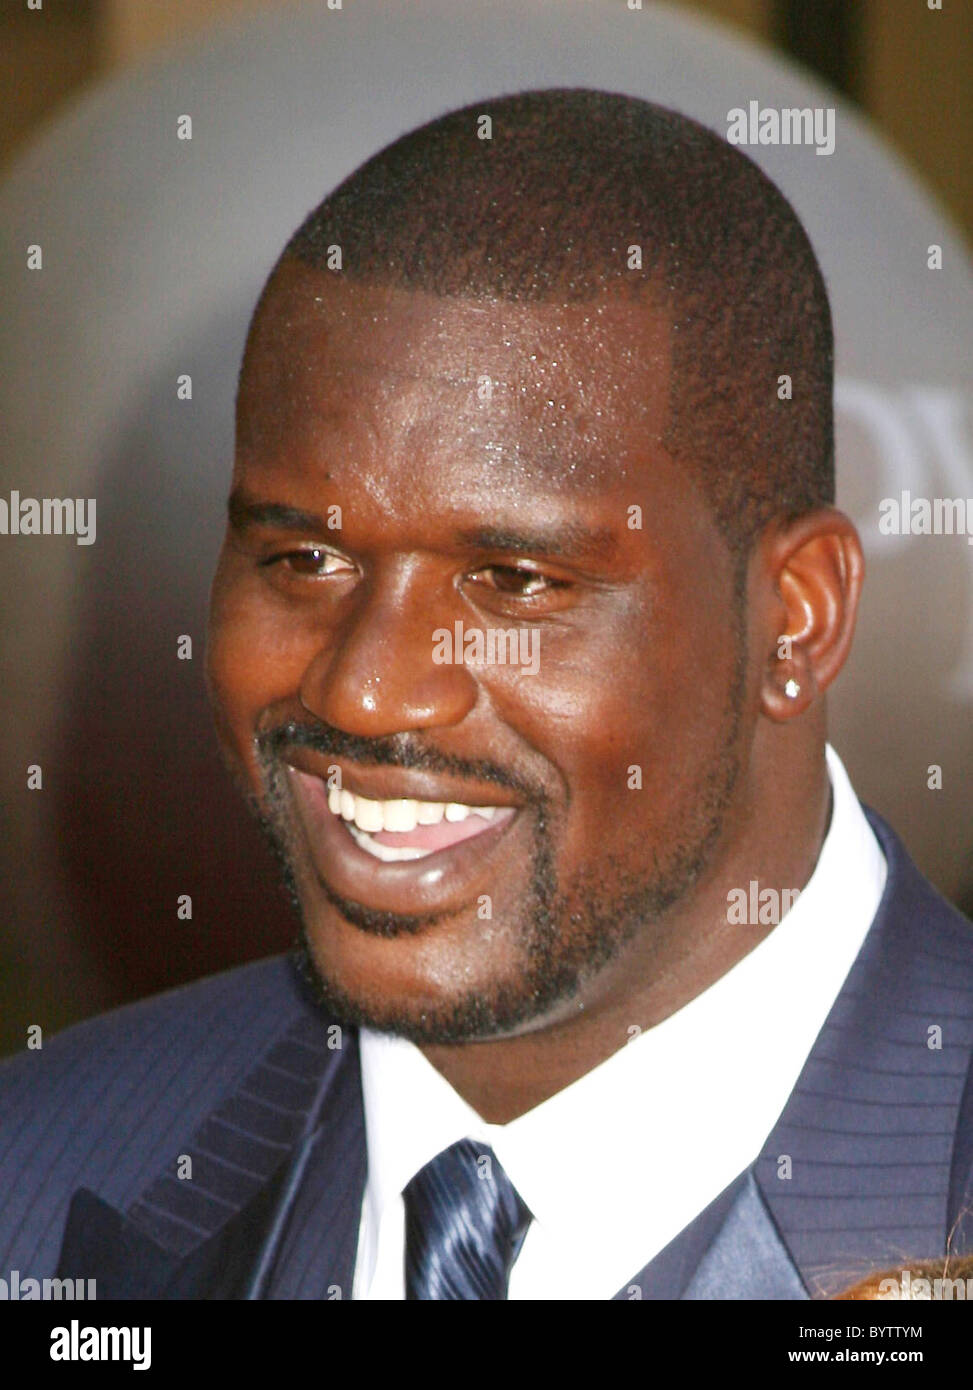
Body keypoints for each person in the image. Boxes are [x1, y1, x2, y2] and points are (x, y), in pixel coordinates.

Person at [1, 88, 971, 1301]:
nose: (363, 689)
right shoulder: (30, 1182)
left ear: (796, 614)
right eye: (305, 559)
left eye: (512, 581)